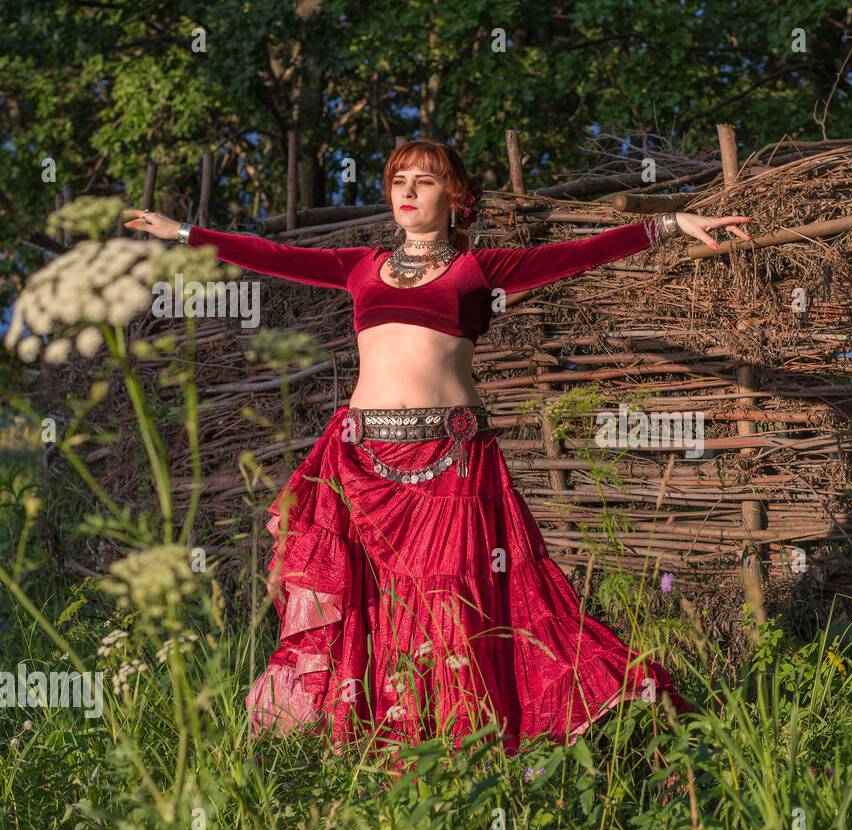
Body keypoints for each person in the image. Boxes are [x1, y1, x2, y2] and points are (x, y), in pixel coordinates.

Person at [124, 138, 753, 758]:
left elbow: (580, 253)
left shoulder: (478, 271)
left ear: (453, 197)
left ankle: (471, 738)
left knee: (454, 603)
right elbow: (271, 254)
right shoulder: (361, 264)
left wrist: (670, 222)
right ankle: (376, 735)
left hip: (450, 462)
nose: (407, 192)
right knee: (373, 603)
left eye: (423, 181)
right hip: (361, 459)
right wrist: (183, 233)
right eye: (399, 181)